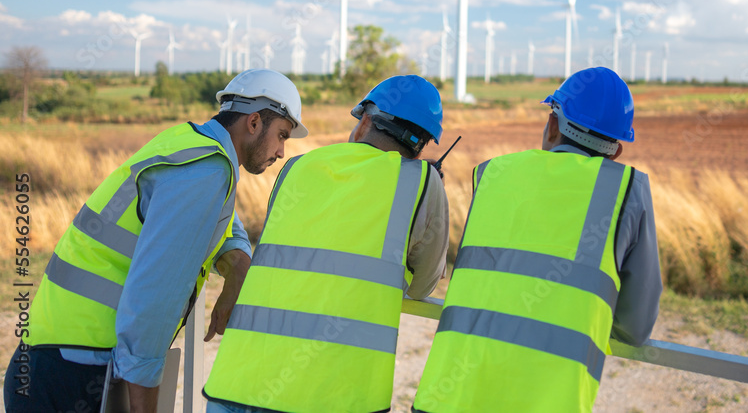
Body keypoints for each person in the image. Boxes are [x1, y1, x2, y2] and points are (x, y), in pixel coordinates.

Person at [4, 68, 307, 413]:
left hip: (51, 355)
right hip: (76, 370)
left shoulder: (191, 147)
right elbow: (152, 302)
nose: (282, 151)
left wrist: (238, 260)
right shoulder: (206, 171)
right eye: (282, 135)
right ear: (253, 123)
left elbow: (218, 218)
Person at [413, 66, 662, 413]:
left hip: (447, 398)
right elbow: (635, 329)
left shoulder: (492, 173)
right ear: (616, 151)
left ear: (554, 124)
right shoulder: (628, 189)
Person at [203, 74, 450, 413]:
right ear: (420, 145)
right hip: (333, 396)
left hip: (239, 382)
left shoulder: (297, 168)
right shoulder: (422, 182)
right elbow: (423, 286)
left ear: (364, 123)